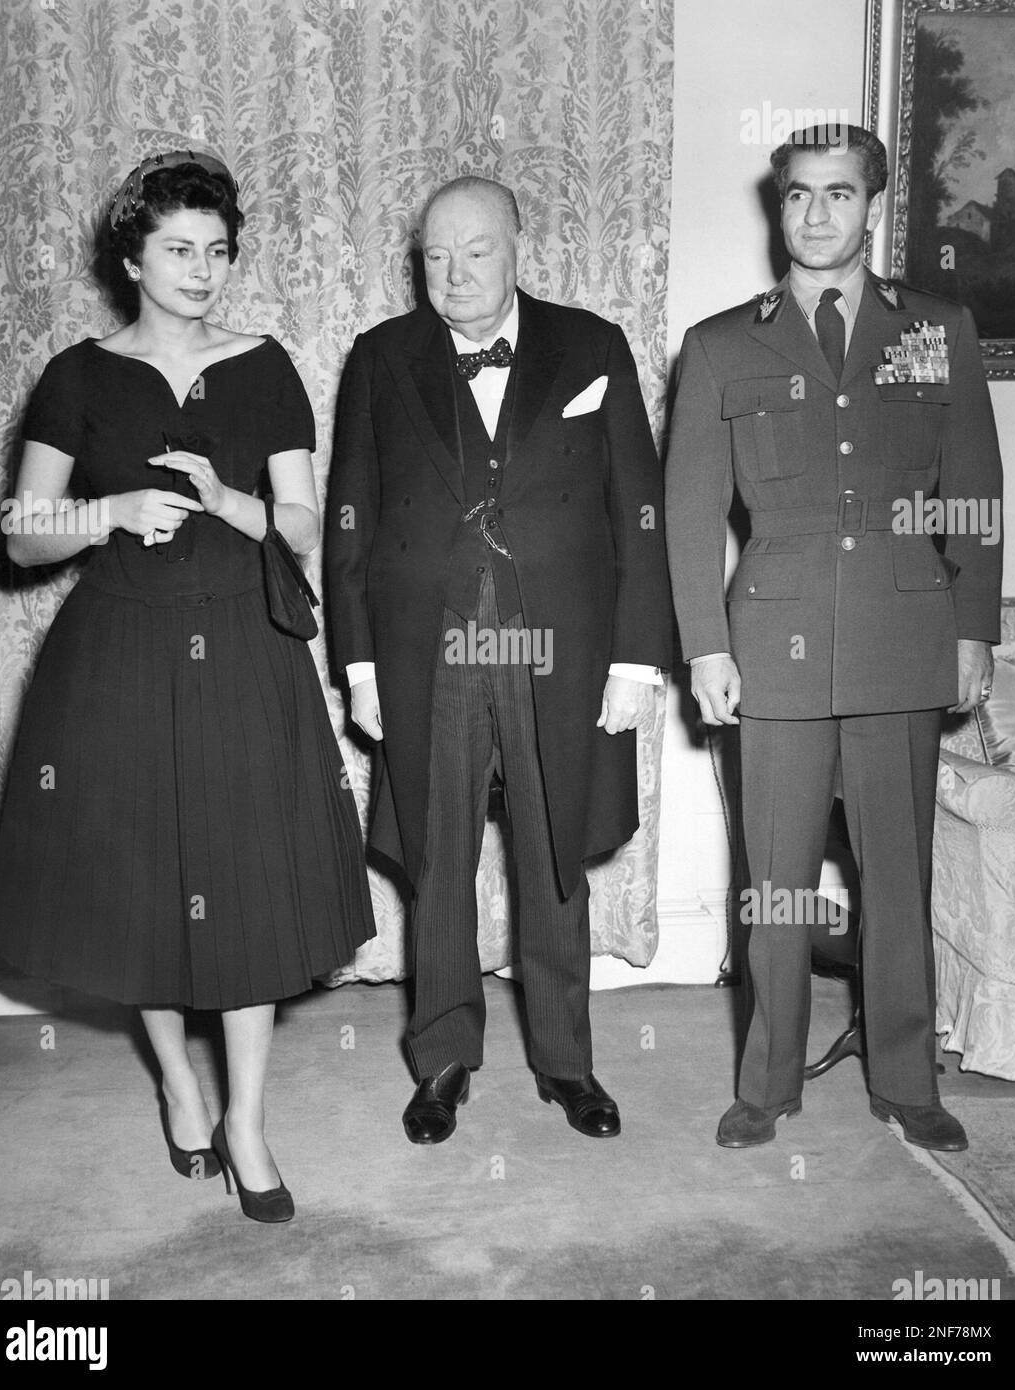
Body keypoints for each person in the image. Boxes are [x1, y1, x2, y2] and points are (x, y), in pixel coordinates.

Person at [0, 151, 375, 1221]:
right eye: (180, 250)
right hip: (117, 658)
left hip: (243, 652)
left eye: (219, 250)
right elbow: (20, 534)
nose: (204, 270)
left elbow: (301, 528)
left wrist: (229, 499)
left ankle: (246, 1119)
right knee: (143, 890)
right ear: (132, 257)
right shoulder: (78, 374)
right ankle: (181, 1087)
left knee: (241, 885)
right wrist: (106, 515)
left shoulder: (266, 364)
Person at [665, 125, 1003, 1152]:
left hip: (904, 633)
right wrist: (703, 647)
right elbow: (686, 512)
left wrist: (973, 631)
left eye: (838, 194)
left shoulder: (934, 328)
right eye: (797, 195)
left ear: (872, 207)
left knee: (894, 869)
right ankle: (765, 1081)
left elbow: (971, 494)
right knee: (774, 876)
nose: (815, 215)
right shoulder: (723, 342)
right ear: (779, 208)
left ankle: (905, 1078)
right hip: (772, 645)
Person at [326, 175, 671, 1144]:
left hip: (556, 652)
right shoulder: (378, 359)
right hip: (426, 653)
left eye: (474, 250)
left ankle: (566, 1062)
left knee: (553, 853)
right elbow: (348, 518)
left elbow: (635, 516)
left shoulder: (592, 345)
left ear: (517, 244)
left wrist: (636, 660)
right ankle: (439, 1058)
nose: (453, 274)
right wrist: (358, 667)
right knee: (436, 855)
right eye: (434, 255)